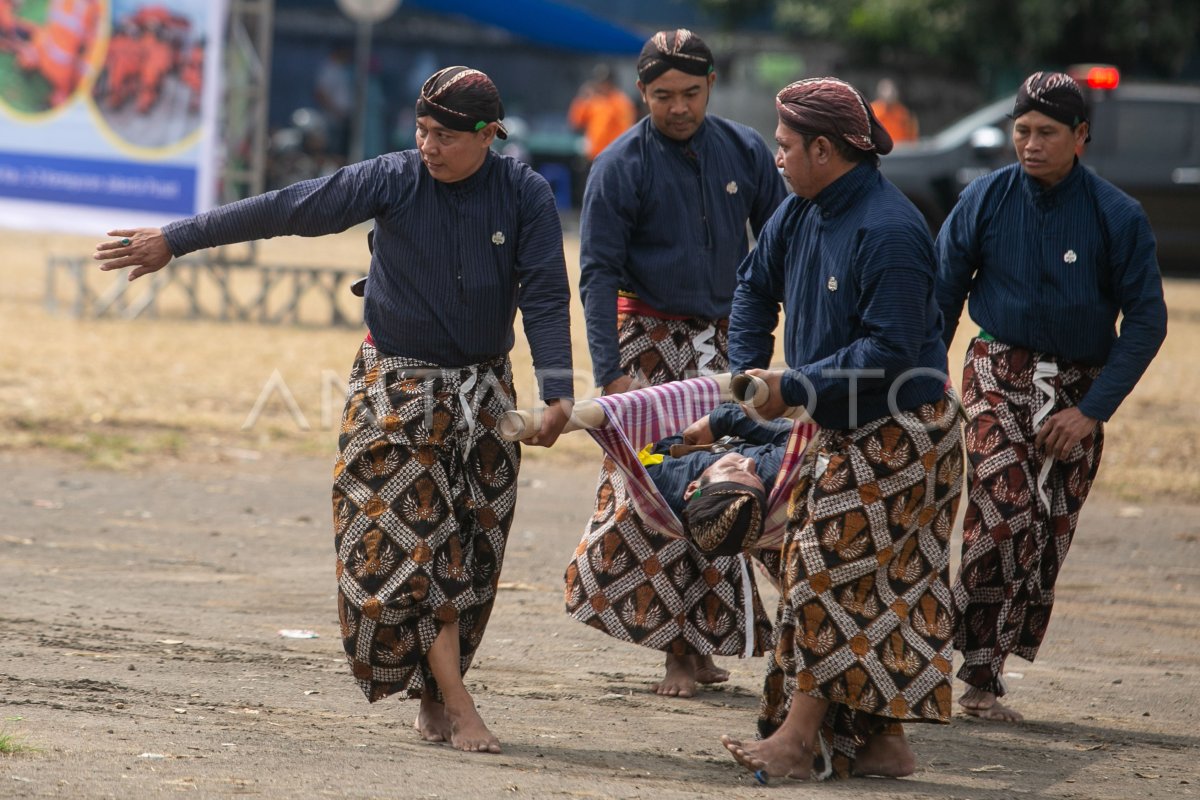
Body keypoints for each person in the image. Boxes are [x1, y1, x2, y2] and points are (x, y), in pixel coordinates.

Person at [93, 66, 575, 755]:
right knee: (412, 550)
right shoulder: (392, 178)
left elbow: (547, 295)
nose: (429, 146)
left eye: (444, 136)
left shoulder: (524, 194)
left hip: (485, 399)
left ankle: (437, 691)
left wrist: (557, 389)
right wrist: (177, 238)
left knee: (471, 558)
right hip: (393, 392)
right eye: (422, 130)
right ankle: (460, 704)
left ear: (488, 134)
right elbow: (289, 208)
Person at [720, 77, 963, 782]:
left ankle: (797, 743)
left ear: (824, 150)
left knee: (823, 576)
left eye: (786, 146)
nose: (777, 158)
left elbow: (891, 350)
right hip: (843, 427)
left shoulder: (890, 230)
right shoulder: (801, 209)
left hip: (904, 434)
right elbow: (752, 286)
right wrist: (748, 375)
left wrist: (792, 385)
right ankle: (883, 745)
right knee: (867, 587)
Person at [936, 71, 1168, 723]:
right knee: (1003, 510)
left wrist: (1091, 412)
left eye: (1046, 132)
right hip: (995, 373)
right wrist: (928, 381)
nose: (1031, 145)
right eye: (1021, 132)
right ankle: (938, 649)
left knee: (1044, 535)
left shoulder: (1116, 215)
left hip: (1079, 392)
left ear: (1080, 135)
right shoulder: (984, 199)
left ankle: (983, 676)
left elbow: (1147, 321)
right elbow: (942, 293)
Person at [565, 28, 788, 698]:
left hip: (728, 349)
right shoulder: (618, 165)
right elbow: (597, 275)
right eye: (663, 95)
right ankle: (676, 655)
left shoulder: (746, 150)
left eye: (691, 92)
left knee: (729, 489)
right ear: (642, 92)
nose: (679, 106)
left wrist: (766, 359)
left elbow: (783, 248)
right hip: (647, 351)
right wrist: (611, 374)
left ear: (711, 85)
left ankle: (703, 644)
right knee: (658, 492)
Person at [567, 63, 636, 163]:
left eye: (606, 82)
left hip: (612, 157)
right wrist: (582, 98)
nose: (602, 85)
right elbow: (576, 122)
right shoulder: (592, 100)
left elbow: (626, 129)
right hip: (593, 156)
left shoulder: (621, 101)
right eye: (600, 82)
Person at [870, 77, 918, 144]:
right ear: (879, 93)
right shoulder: (872, 112)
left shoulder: (904, 114)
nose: (889, 93)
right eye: (885, 90)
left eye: (892, 90)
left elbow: (912, 138)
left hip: (902, 149)